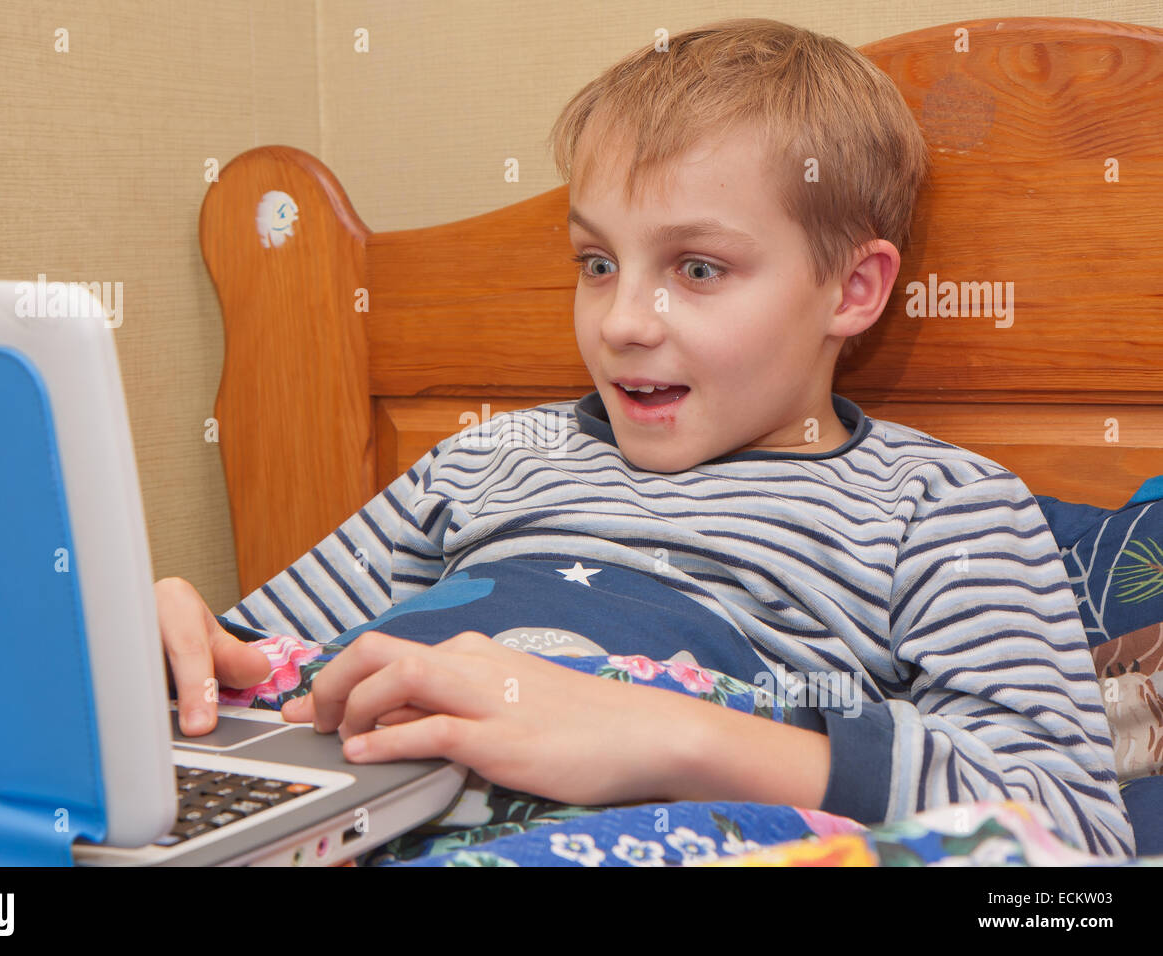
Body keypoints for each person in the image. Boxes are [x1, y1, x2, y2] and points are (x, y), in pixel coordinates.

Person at [155, 18, 1134, 857]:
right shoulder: (488, 457)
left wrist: (668, 733)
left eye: (698, 268)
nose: (622, 320)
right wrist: (163, 642)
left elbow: (1068, 822)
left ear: (852, 288)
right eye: (595, 261)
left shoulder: (943, 503)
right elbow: (257, 666)